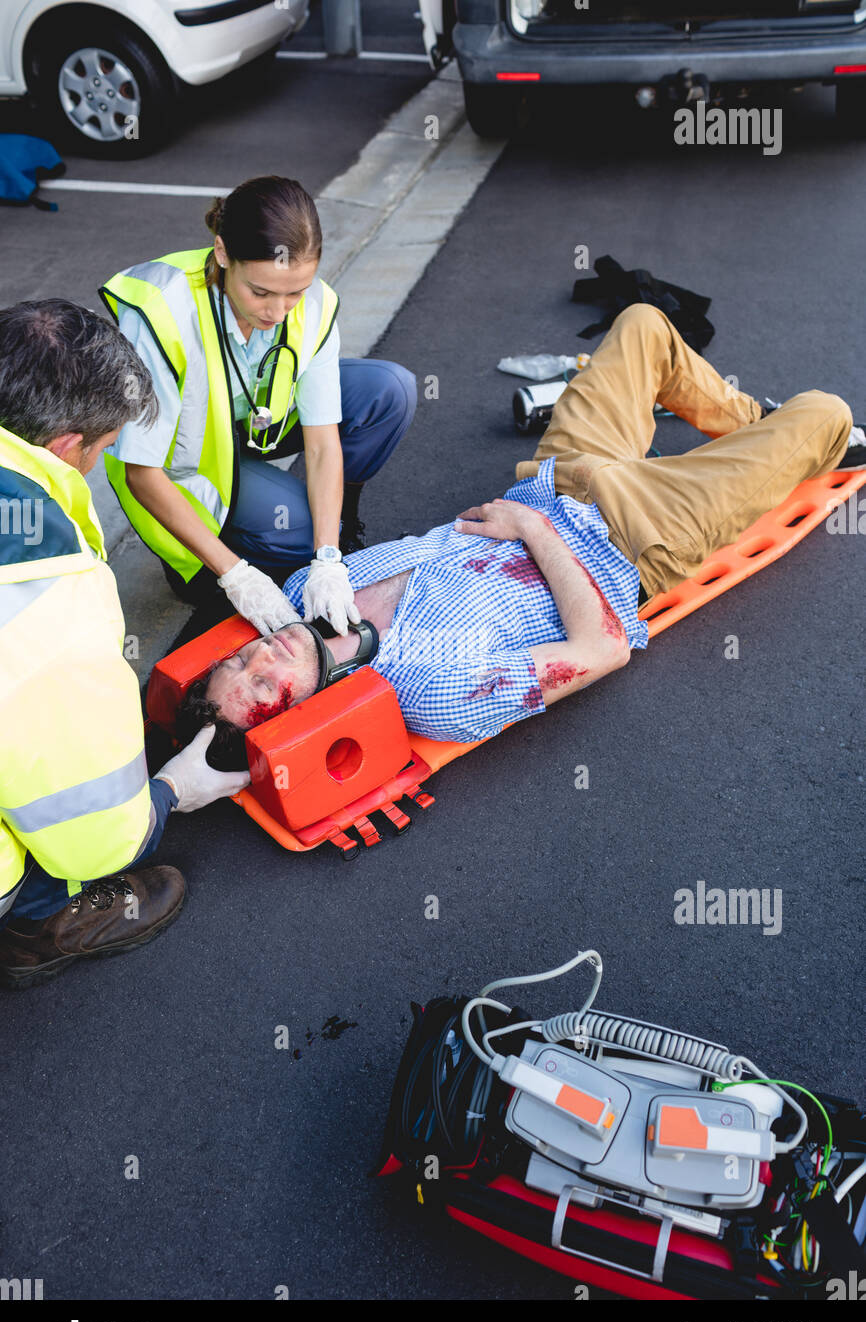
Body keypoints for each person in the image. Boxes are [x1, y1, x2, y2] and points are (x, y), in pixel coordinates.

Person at [175, 304, 861, 760]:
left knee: (645, 324)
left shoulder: (309, 587)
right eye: (266, 689)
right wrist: (532, 530)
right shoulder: (431, 689)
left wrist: (535, 508)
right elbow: (603, 648)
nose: (262, 657)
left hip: (556, 475)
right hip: (634, 535)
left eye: (239, 662)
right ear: (302, 714)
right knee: (826, 415)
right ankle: (780, 439)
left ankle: (749, 425)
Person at [0, 300, 250, 990]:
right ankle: (40, 928)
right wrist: (167, 794)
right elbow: (94, 829)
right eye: (105, 447)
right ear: (63, 448)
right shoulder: (48, 590)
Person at [100, 174, 416, 638]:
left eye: (295, 292)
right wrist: (237, 576)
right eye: (261, 292)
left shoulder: (314, 304)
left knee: (390, 390)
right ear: (223, 253)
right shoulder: (163, 311)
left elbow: (323, 442)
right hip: (188, 470)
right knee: (293, 530)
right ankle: (199, 560)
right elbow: (139, 473)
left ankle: (335, 532)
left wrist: (327, 559)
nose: (279, 311)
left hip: (256, 428)